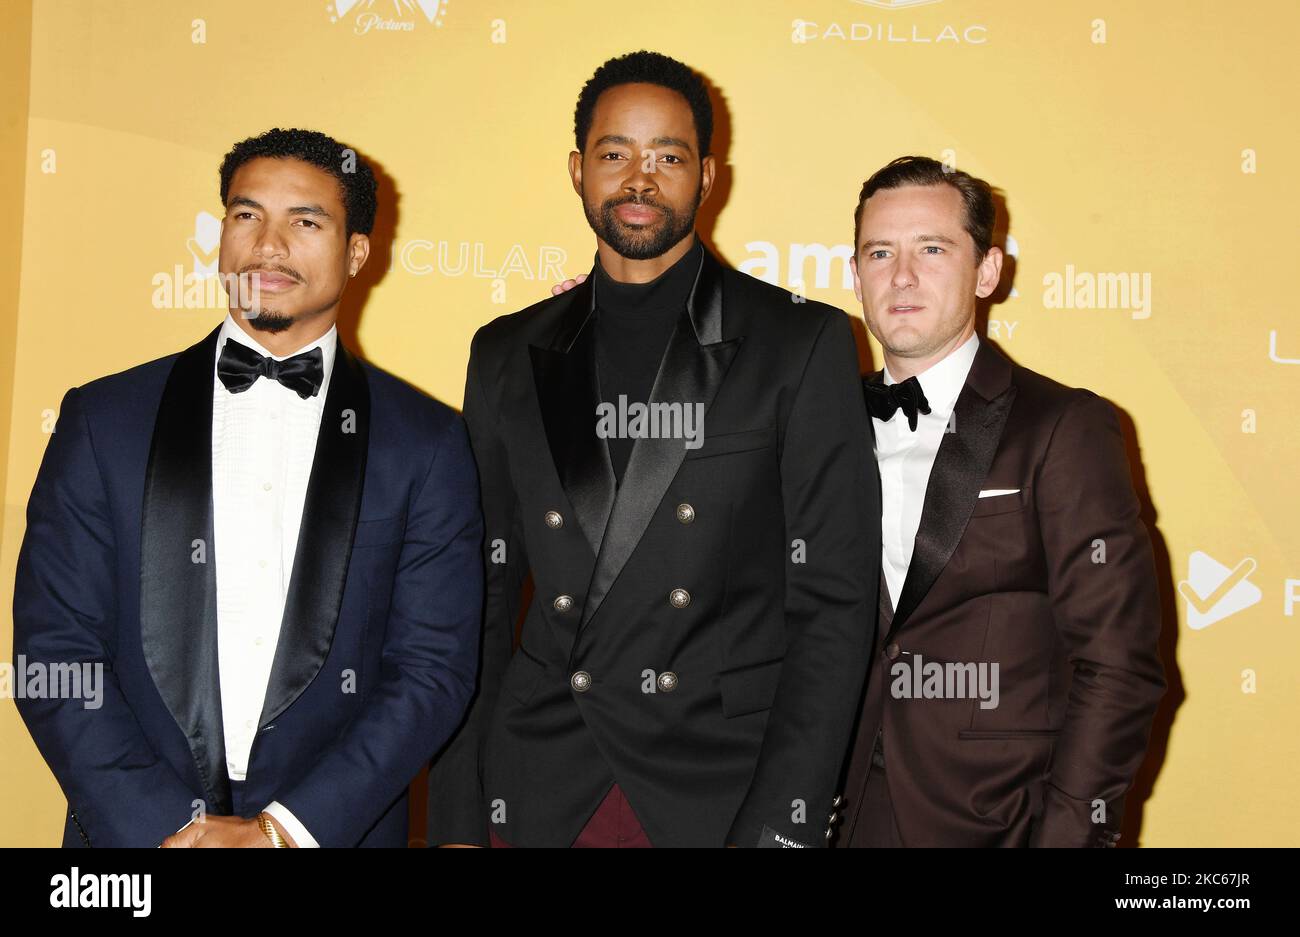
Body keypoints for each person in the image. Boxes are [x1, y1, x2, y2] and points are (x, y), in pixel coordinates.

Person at [427, 51, 879, 848]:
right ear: (577, 169)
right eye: (615, 154)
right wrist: (459, 816)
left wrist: (786, 824)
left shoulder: (797, 342)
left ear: (708, 174)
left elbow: (834, 608)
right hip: (541, 781)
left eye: (668, 156)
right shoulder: (505, 353)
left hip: (719, 785)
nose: (640, 179)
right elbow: (482, 601)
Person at [14, 127, 483, 847]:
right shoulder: (102, 420)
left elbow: (432, 673)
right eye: (246, 214)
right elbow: (54, 652)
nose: (268, 244)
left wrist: (284, 832)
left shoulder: (426, 443)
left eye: (306, 221)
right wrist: (163, 825)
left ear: (357, 251)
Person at [834, 156, 1165, 847]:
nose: (902, 275)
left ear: (987, 271)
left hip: (999, 823)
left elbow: (1118, 661)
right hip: (845, 818)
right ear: (853, 273)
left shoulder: (1063, 427)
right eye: (880, 252)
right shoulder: (819, 428)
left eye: (932, 249)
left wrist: (1067, 838)